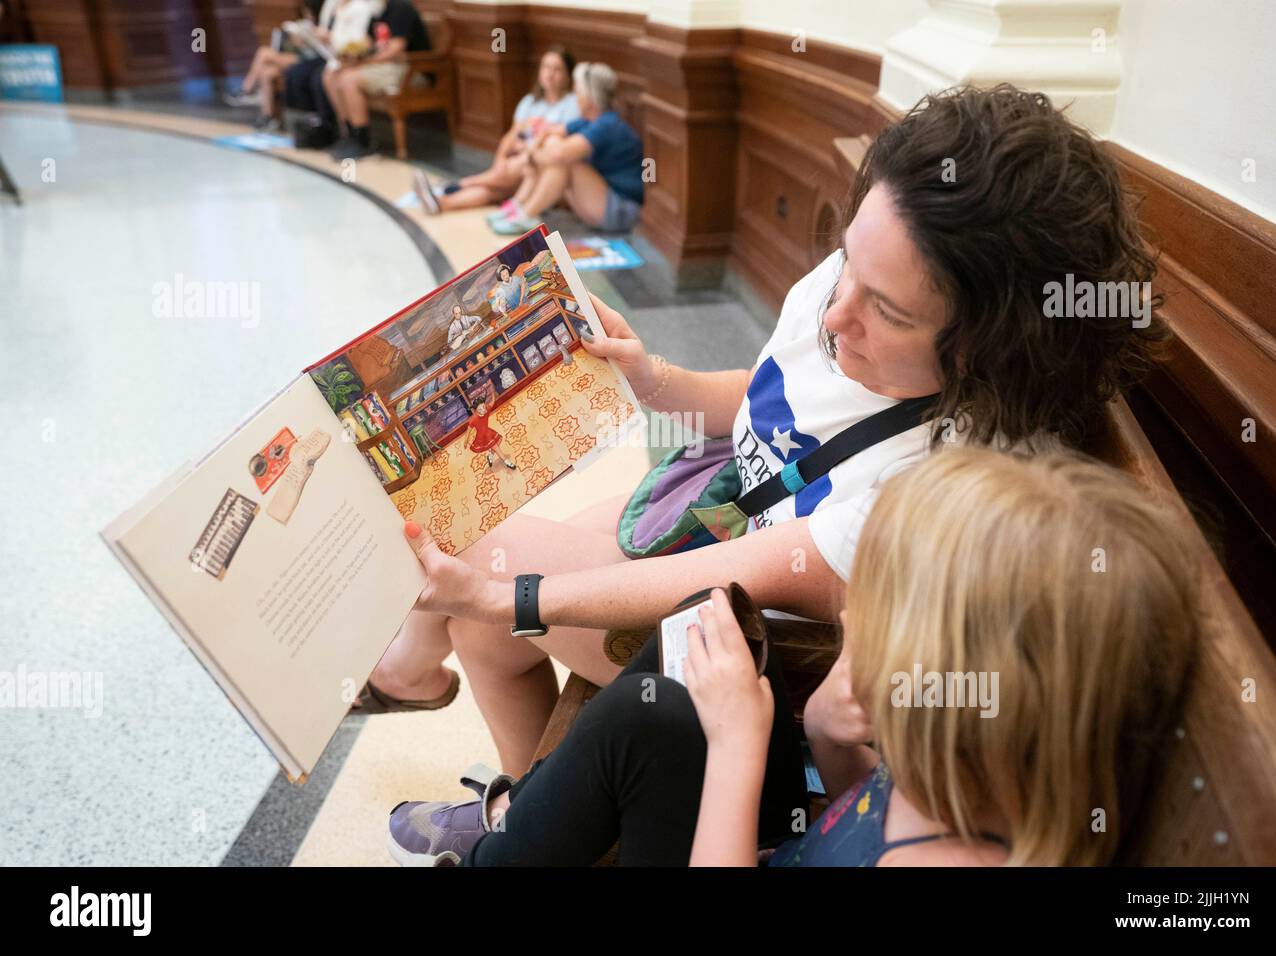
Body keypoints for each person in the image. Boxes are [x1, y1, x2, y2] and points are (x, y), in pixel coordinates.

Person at [355, 85, 1165, 783]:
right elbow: (768, 402)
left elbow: (748, 574)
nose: (835, 313)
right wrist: (653, 376)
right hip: (718, 514)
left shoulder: (946, 487)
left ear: (990, 349)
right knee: (484, 619)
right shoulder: (864, 273)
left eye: (887, 311)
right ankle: (523, 810)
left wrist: (508, 595)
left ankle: (430, 702)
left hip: (748, 650)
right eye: (848, 263)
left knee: (479, 574)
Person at [388, 447, 1202, 866]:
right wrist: (832, 736)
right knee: (682, 665)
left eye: (873, 619)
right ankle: (511, 833)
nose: (848, 620)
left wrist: (743, 746)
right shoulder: (961, 777)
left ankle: (508, 837)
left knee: (677, 709)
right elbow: (852, 816)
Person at [414, 46, 579, 214]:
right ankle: (442, 203)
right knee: (494, 191)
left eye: (556, 69)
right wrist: (500, 159)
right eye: (546, 67)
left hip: (543, 169)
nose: (549, 74)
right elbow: (511, 136)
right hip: (519, 167)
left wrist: (529, 147)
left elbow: (563, 144)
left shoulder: (572, 104)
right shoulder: (530, 102)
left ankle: (454, 185)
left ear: (567, 75)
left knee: (519, 164)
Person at [488, 62, 643, 235]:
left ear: (591, 97)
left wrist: (530, 155)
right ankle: (519, 206)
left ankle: (525, 214)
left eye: (578, 93)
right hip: (599, 205)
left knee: (564, 161)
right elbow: (548, 133)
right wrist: (535, 150)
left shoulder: (607, 124)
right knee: (554, 145)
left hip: (620, 211)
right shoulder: (587, 121)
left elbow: (559, 154)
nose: (576, 99)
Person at [323, 0, 431, 161]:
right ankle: (349, 134)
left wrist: (364, 62)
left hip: (408, 69)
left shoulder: (401, 8)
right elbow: (369, 42)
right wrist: (354, 54)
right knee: (332, 75)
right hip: (380, 65)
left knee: (348, 80)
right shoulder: (374, 10)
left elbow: (395, 48)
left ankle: (363, 140)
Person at [225, 0, 329, 131]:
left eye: (308, 12)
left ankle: (246, 90)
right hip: (299, 58)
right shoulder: (303, 25)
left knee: (264, 53)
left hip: (314, 59)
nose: (306, 14)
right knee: (267, 72)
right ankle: (268, 116)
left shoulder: (325, 23)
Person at [465, 398, 517, 471]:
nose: (483, 409)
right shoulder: (473, 419)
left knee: (500, 439)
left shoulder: (487, 409)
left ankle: (490, 455)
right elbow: (468, 432)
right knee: (495, 446)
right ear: (476, 411)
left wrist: (492, 391)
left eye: (483, 406)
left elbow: (492, 401)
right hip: (482, 436)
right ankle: (507, 462)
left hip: (488, 431)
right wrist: (465, 442)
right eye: (480, 409)